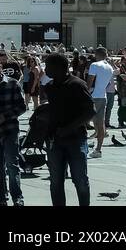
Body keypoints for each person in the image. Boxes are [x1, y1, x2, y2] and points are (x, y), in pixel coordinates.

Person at [40, 52, 92, 207]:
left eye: (48, 65)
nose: (46, 69)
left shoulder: (76, 84)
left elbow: (90, 111)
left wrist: (69, 128)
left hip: (76, 140)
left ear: (59, 67)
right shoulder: (50, 87)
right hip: (55, 140)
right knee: (55, 181)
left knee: (80, 180)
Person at [0, 53, 26, 206]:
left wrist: (5, 116)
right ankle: (1, 197)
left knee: (12, 166)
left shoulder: (13, 84)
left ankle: (17, 198)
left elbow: (22, 107)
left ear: (1, 66)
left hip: (10, 129)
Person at [84, 47, 114, 157]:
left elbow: (89, 81)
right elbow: (109, 84)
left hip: (93, 96)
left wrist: (85, 92)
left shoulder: (94, 65)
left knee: (83, 119)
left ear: (97, 54)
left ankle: (83, 146)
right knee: (100, 123)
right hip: (103, 96)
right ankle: (98, 149)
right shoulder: (110, 67)